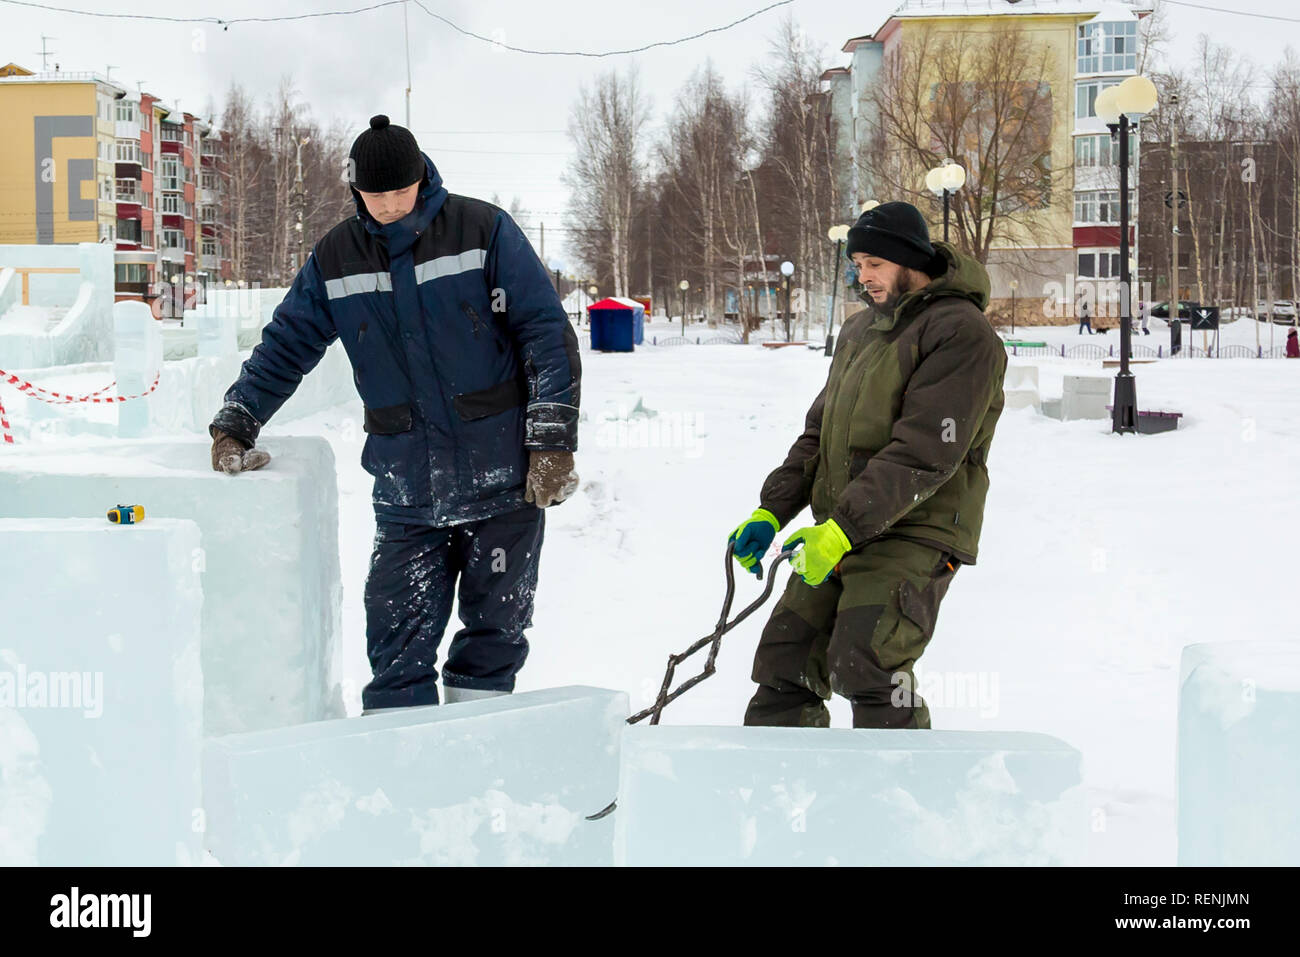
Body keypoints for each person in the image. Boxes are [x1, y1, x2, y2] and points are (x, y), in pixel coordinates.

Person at [208, 115, 581, 713]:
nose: (386, 205)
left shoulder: (482, 230)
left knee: (494, 634)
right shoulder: (336, 256)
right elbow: (288, 342)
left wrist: (553, 442)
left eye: (398, 191)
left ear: (422, 177)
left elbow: (544, 334)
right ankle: (397, 765)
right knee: (395, 640)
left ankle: (476, 745)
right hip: (406, 487)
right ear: (355, 189)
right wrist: (238, 419)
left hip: (503, 479)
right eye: (372, 194)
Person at [729, 201, 1006, 729]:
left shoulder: (962, 333)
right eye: (856, 265)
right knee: (784, 660)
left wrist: (841, 530)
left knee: (867, 662)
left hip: (915, 530)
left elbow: (926, 451)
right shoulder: (860, 332)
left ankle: (895, 801)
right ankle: (776, 792)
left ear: (910, 261)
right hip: (843, 528)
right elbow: (819, 434)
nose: (864, 277)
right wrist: (772, 511)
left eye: (874, 264)